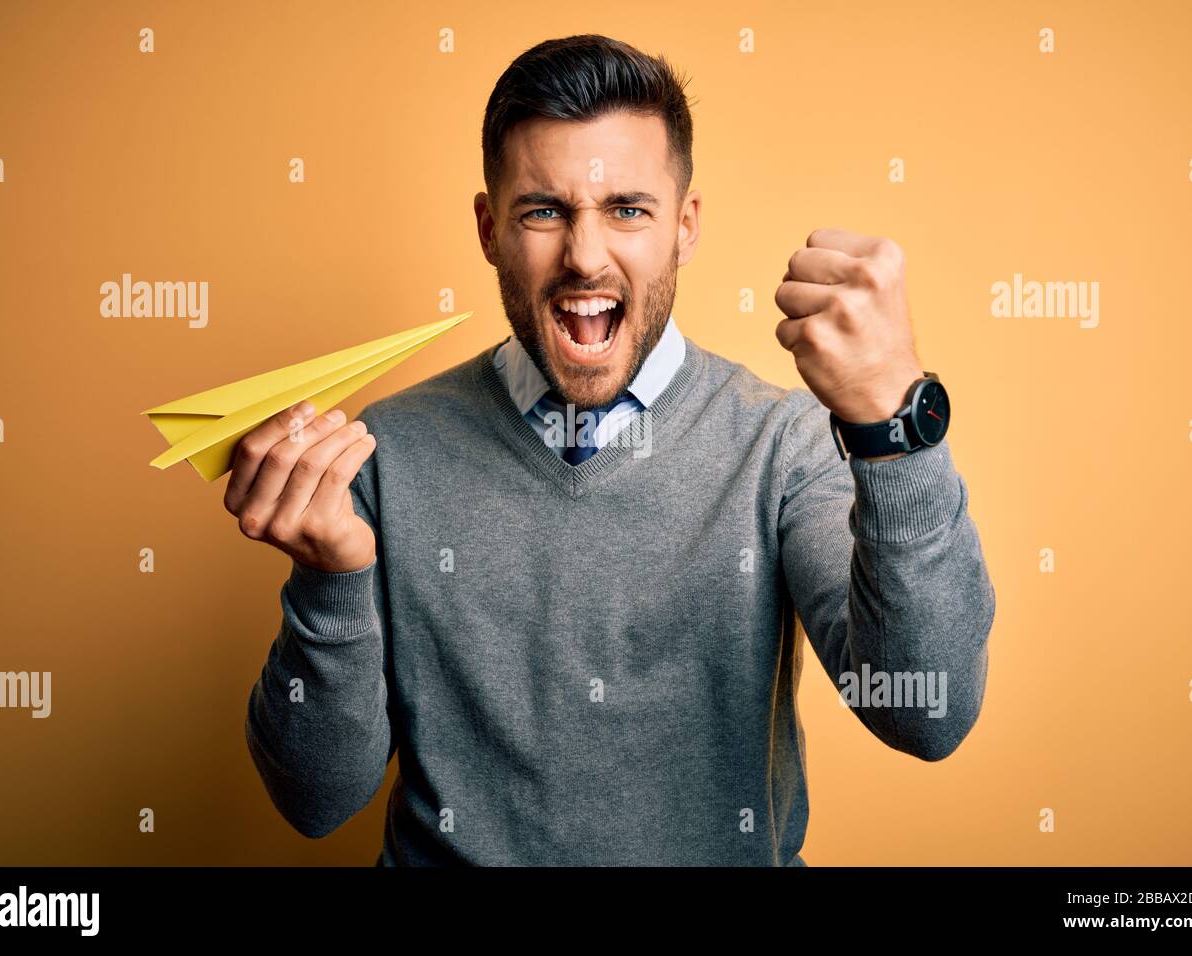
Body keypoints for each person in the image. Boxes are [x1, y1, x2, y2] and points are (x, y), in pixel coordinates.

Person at [234, 34, 996, 866]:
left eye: (628, 209)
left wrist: (897, 435)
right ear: (490, 230)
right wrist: (330, 582)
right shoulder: (387, 450)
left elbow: (930, 715)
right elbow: (314, 801)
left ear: (686, 226)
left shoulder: (783, 445)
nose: (585, 257)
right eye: (543, 211)